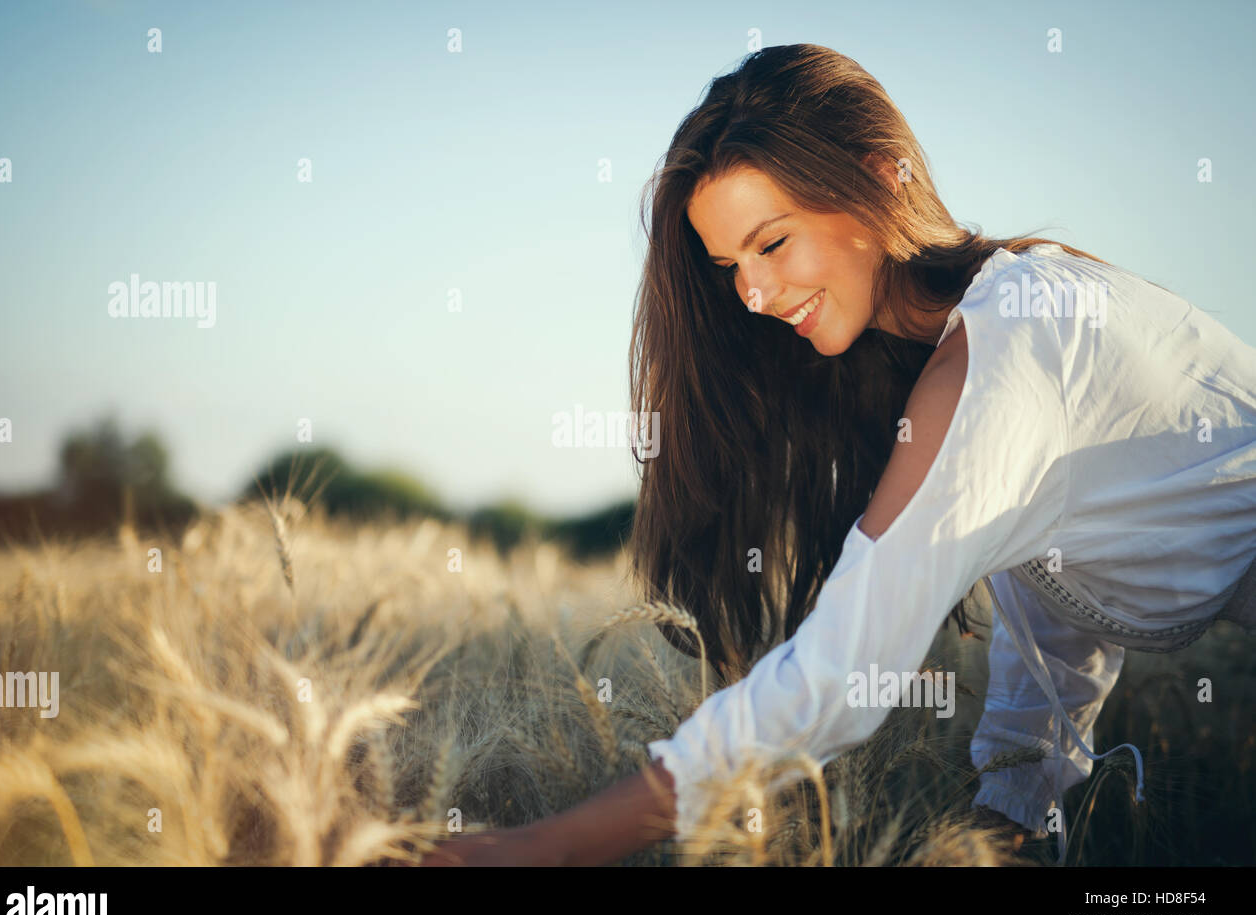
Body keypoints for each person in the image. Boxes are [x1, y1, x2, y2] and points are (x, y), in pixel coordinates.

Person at [417, 43, 1256, 867]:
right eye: (729, 266)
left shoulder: (1013, 346)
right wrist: (1013, 814)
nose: (751, 293)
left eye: (772, 244)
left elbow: (841, 676)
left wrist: (543, 846)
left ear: (880, 171)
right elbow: (1057, 598)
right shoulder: (965, 348)